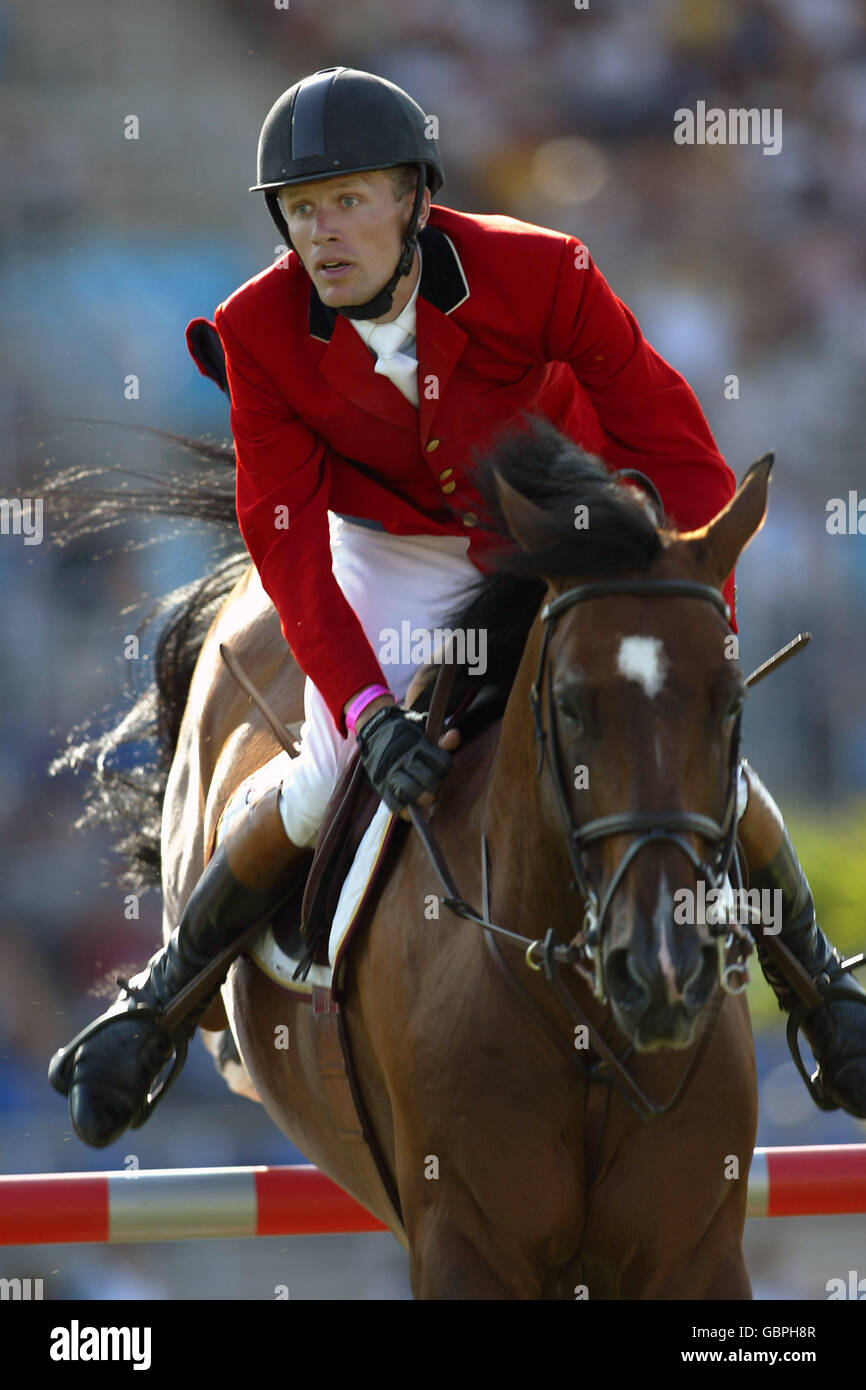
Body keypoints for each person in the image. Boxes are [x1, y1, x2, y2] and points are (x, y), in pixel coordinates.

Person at [50, 66, 866, 1147]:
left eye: (349, 200)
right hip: (390, 550)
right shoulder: (257, 331)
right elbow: (288, 551)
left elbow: (674, 448)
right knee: (327, 770)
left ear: (413, 202)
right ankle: (160, 999)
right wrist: (366, 711)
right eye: (302, 211)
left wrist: (691, 618)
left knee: (654, 721)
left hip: (557, 526)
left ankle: (817, 987)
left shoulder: (539, 270)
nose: (324, 232)